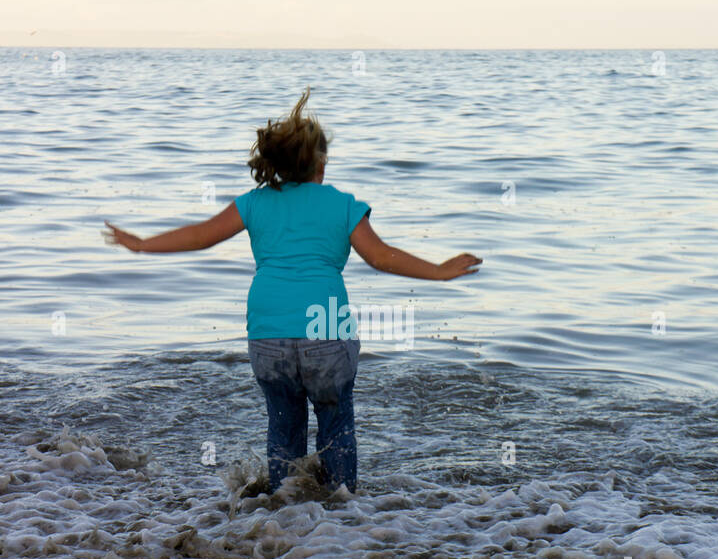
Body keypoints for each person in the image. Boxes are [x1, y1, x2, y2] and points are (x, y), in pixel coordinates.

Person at [105, 88, 481, 493]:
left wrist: (142, 243)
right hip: (326, 333)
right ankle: (344, 515)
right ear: (320, 165)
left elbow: (201, 236)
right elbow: (380, 256)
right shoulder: (342, 203)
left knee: (283, 427)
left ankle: (280, 517)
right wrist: (439, 271)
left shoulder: (254, 203)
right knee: (336, 424)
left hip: (268, 335)